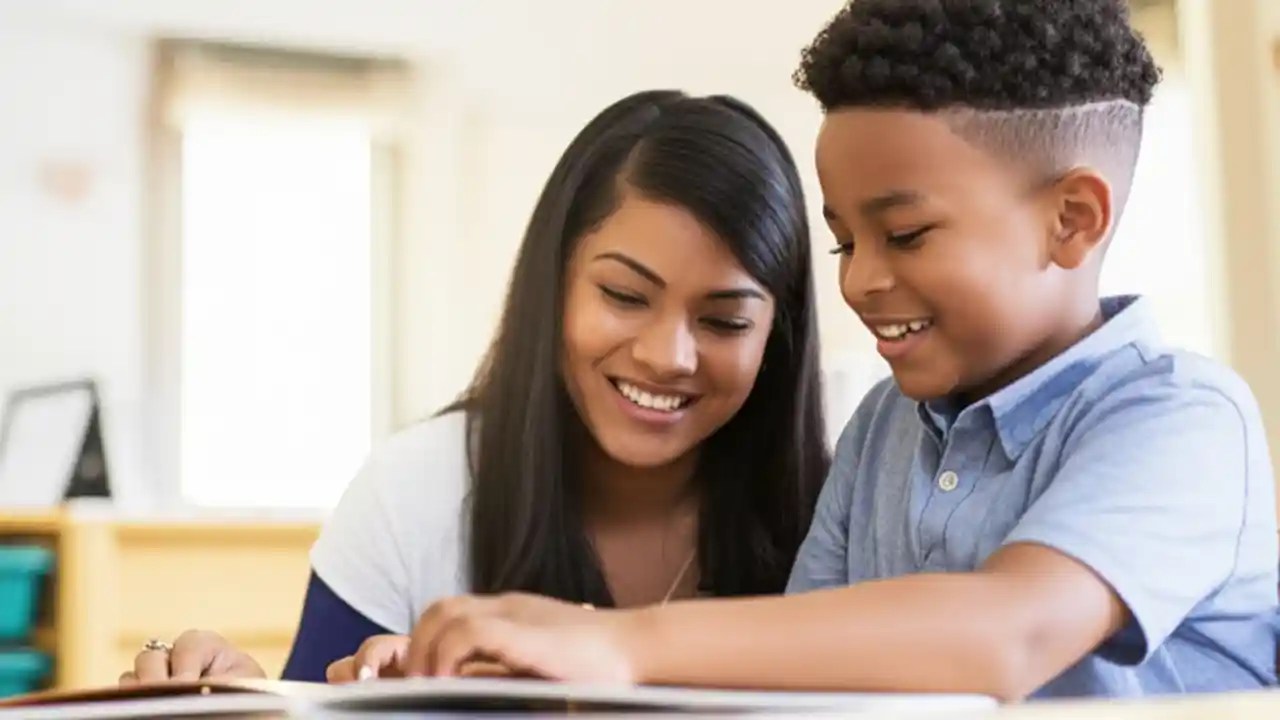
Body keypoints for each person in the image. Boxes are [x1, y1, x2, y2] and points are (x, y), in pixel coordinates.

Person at [384, 0, 1280, 701]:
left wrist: (618, 642)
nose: (859, 281)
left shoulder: (1180, 421)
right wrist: (499, 673)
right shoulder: (883, 427)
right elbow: (792, 673)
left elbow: (1008, 635)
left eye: (906, 234)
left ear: (1072, 220)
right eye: (845, 241)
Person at [119, 90, 831, 684]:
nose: (667, 356)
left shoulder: (836, 516)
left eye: (723, 321)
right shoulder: (414, 492)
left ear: (779, 335)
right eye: (624, 295)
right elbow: (312, 701)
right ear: (554, 284)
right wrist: (241, 699)